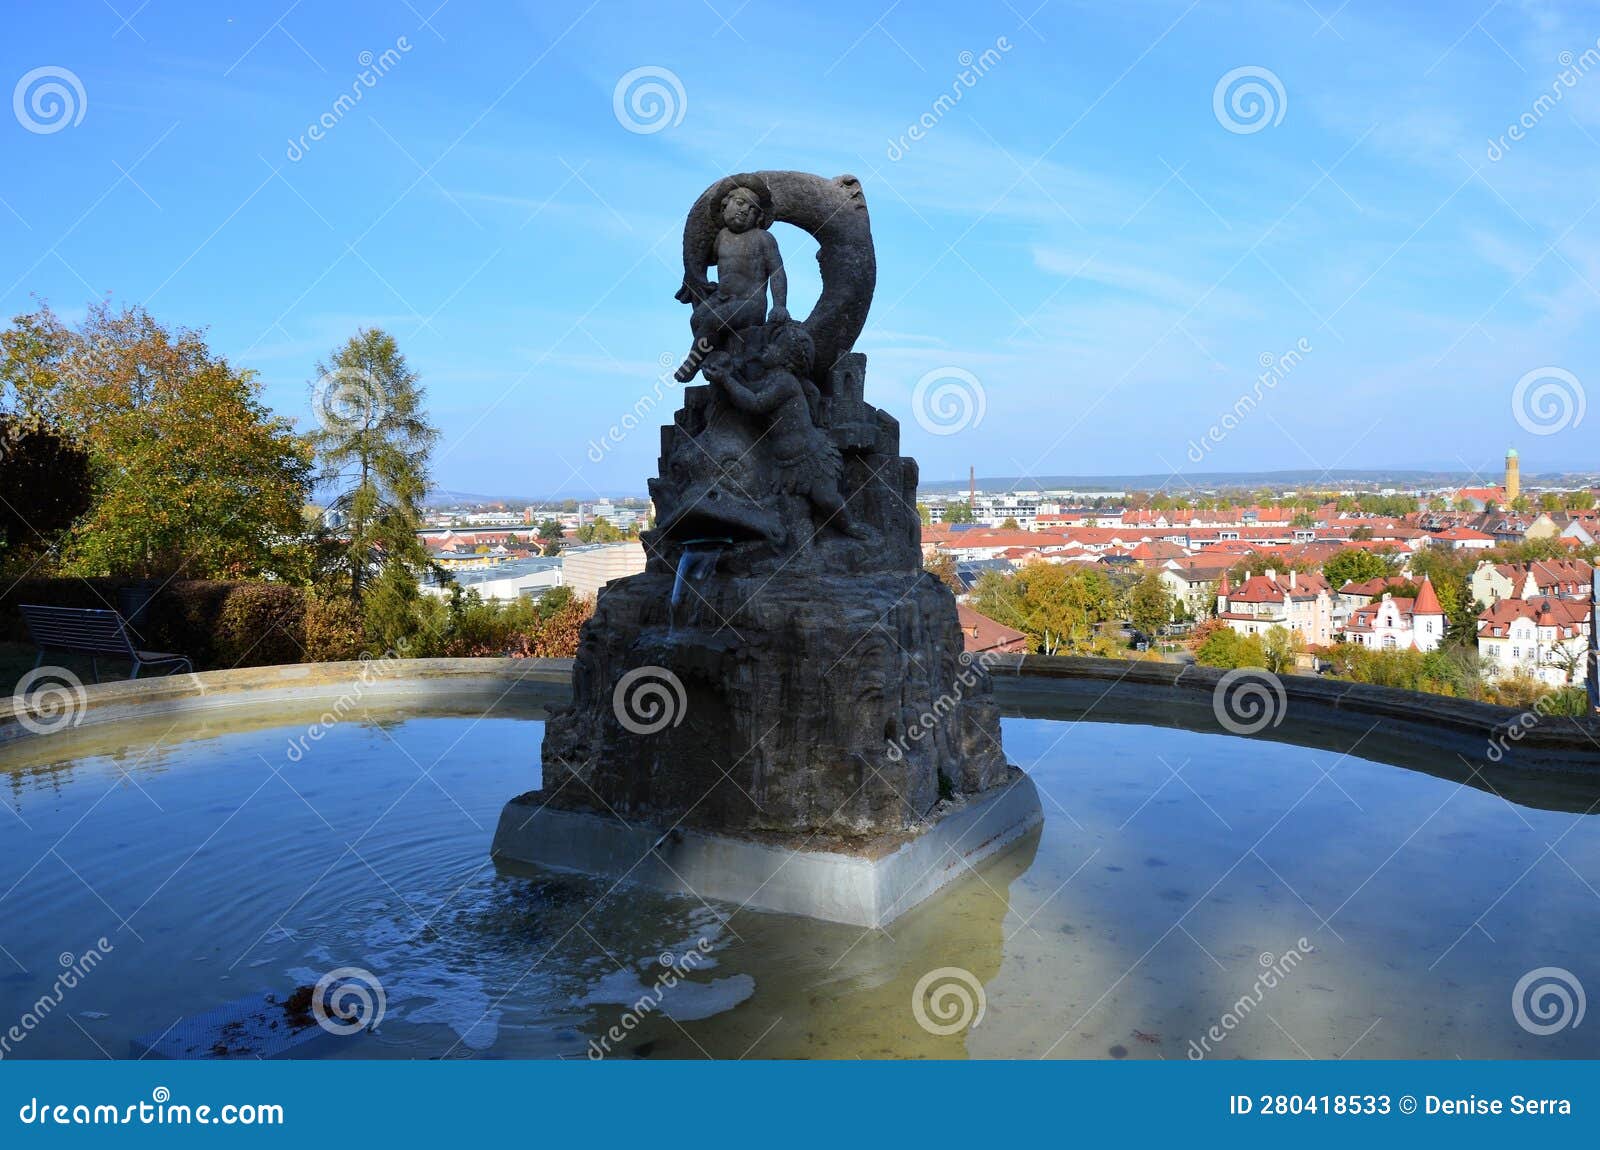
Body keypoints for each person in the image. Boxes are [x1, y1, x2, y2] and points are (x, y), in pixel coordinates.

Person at [705, 327, 870, 541]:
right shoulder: (769, 380)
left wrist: (727, 380)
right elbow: (749, 389)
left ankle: (850, 526)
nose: (767, 347)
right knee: (795, 511)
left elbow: (755, 403)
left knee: (827, 499)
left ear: (789, 357)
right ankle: (804, 554)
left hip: (810, 458)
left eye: (776, 345)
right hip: (786, 463)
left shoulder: (785, 382)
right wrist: (726, 375)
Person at [675, 185, 789, 382]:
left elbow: (777, 272)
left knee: (713, 321)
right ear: (725, 205)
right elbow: (703, 260)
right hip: (723, 298)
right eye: (740, 203)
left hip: (750, 304)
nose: (744, 210)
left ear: (759, 217)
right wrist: (694, 277)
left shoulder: (764, 239)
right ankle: (715, 359)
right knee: (697, 319)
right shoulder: (721, 237)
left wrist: (779, 305)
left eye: (752, 209)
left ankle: (693, 362)